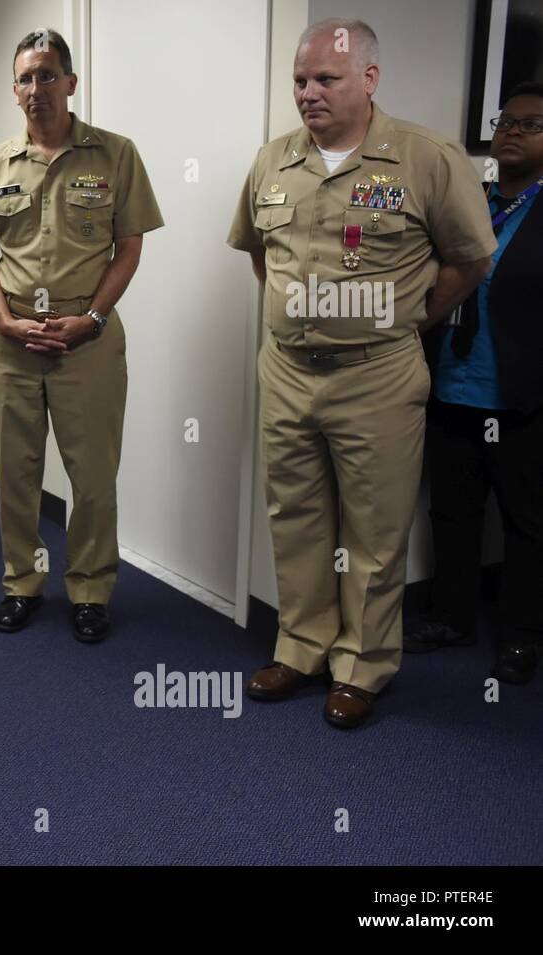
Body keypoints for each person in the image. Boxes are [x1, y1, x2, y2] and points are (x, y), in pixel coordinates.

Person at [227, 20, 495, 727]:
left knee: (374, 533)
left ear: (369, 79)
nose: (308, 93)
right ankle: (303, 645)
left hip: (377, 376)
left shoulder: (425, 158)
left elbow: (470, 262)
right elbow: (261, 258)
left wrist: (403, 322)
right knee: (296, 518)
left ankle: (364, 664)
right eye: (300, 80)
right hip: (286, 371)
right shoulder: (273, 161)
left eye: (326, 80)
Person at [0, 28, 163, 642]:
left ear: (71, 82)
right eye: (25, 78)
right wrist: (5, 321)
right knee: (15, 473)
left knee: (92, 473)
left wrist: (92, 317)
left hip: (87, 339)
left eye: (47, 75)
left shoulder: (115, 155)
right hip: (11, 340)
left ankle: (91, 589)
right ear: (13, 90)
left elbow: (129, 247)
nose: (36, 88)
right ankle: (22, 581)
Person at [404, 81, 543, 686]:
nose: (511, 131)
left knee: (526, 521)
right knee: (453, 513)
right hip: (452, 386)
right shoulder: (472, 199)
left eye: (530, 124)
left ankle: (520, 635)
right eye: (505, 120)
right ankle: (451, 615)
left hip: (523, 398)